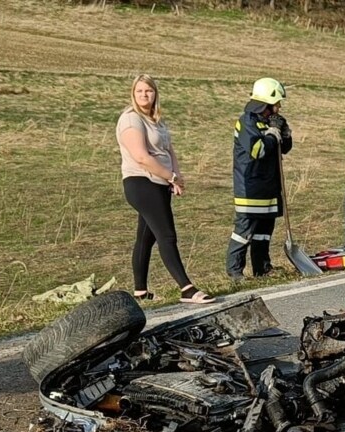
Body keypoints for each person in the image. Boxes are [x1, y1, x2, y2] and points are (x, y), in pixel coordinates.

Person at [115, 74, 214, 304]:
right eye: (139, 91)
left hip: (159, 183)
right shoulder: (131, 119)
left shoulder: (156, 120)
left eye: (148, 91)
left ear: (155, 93)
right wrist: (170, 176)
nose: (144, 95)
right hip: (141, 182)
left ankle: (140, 292)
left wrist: (175, 177)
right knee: (166, 235)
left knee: (145, 237)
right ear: (133, 93)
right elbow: (141, 157)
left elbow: (169, 151)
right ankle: (187, 289)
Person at [228, 77, 292, 282]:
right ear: (266, 104)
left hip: (269, 187)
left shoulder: (268, 121)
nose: (279, 107)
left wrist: (285, 133)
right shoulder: (246, 122)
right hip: (251, 188)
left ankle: (262, 268)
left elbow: (284, 149)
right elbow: (258, 150)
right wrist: (273, 134)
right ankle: (235, 272)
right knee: (244, 231)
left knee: (264, 231)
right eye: (276, 104)